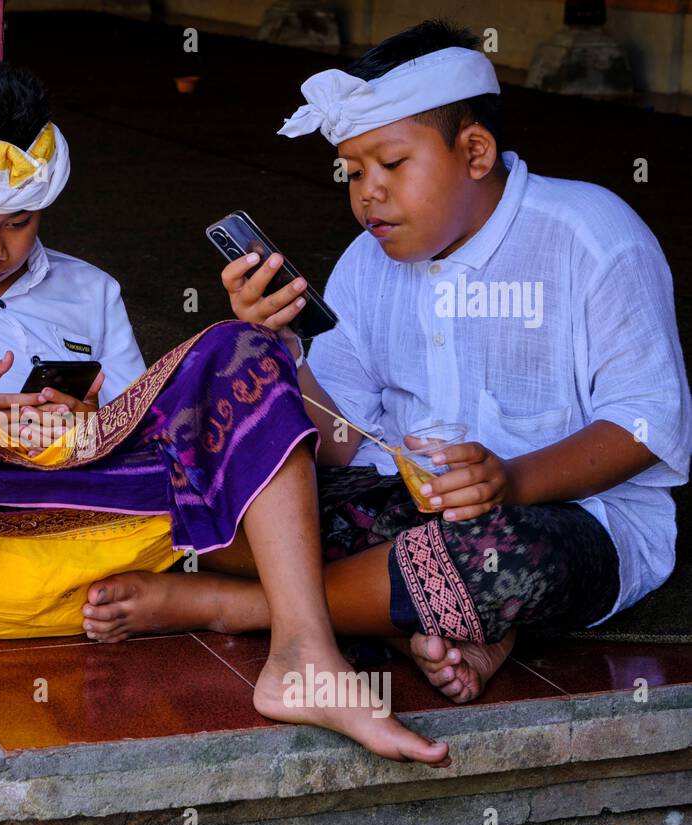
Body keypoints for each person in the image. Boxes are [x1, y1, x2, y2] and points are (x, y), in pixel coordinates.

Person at [0, 58, 453, 780]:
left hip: (109, 542)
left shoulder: (92, 289)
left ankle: (302, 656)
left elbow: (162, 434)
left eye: (17, 222)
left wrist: (94, 421)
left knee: (246, 345)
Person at [80, 19, 692, 705]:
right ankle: (418, 620)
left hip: (566, 519)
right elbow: (342, 445)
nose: (366, 192)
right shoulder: (365, 265)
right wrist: (280, 347)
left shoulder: (592, 235)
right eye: (352, 171)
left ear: (476, 151)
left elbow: (649, 421)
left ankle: (235, 607)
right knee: (194, 489)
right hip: (400, 513)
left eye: (392, 165)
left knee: (508, 560)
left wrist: (510, 481)